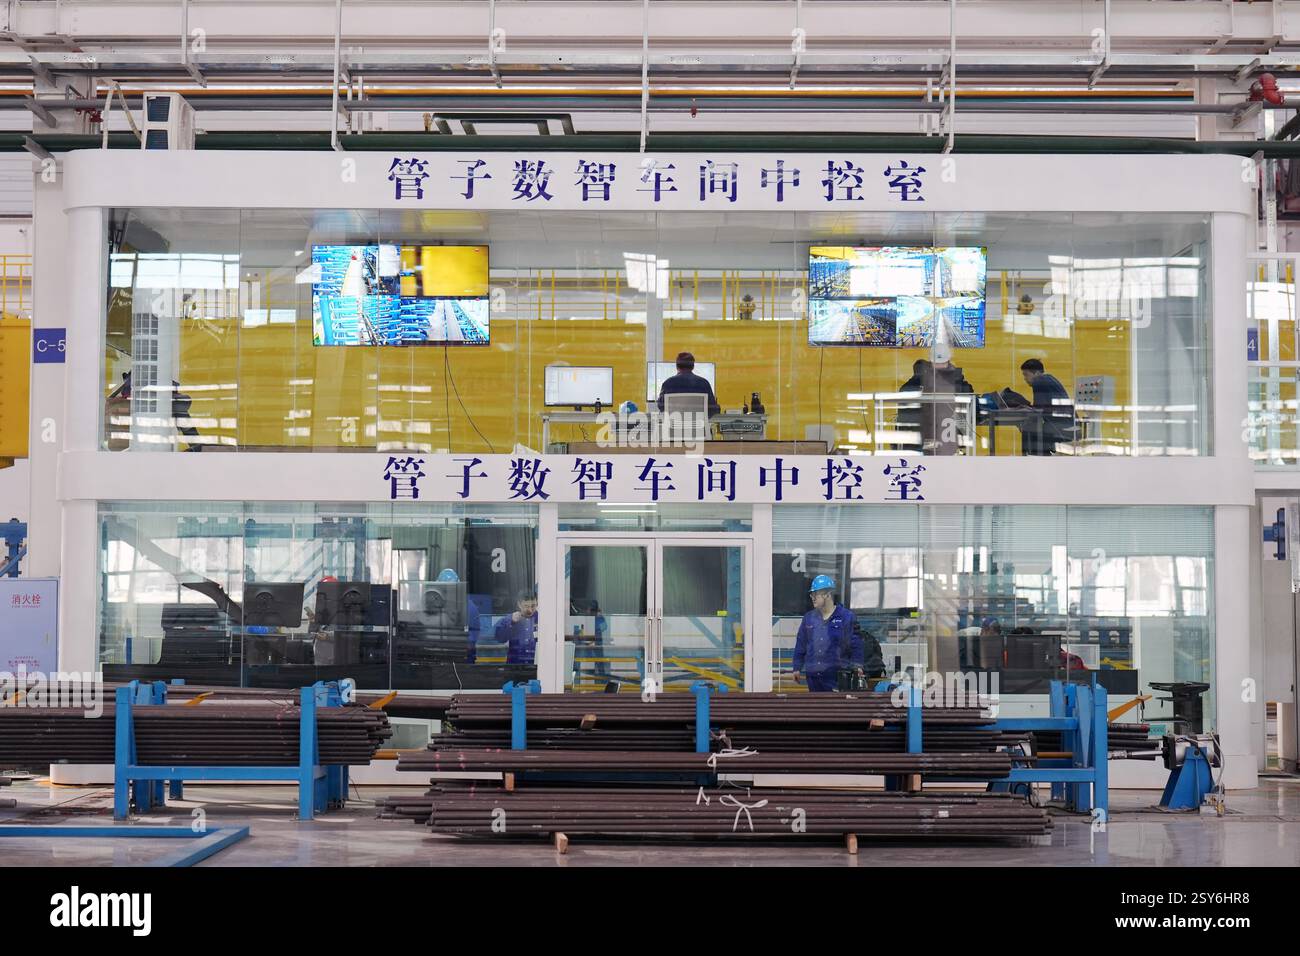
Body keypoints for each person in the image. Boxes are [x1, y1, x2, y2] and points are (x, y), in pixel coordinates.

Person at [792, 575, 863, 692]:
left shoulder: (846, 617)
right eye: (811, 594)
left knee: (835, 709)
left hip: (837, 677)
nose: (812, 598)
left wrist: (857, 666)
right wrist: (796, 667)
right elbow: (801, 644)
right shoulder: (809, 618)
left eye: (816, 594)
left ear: (828, 594)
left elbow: (856, 645)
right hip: (813, 677)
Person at [1017, 358, 1076, 456]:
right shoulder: (1049, 379)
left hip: (1060, 428)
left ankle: (1033, 462)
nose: (1025, 378)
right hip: (1067, 425)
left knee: (1028, 432)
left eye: (1026, 375)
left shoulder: (1039, 381)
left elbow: (1038, 411)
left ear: (1036, 373)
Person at [433, 568, 482, 663]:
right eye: (444, 589)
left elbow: (472, 637)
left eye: (449, 589)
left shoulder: (469, 607)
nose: (446, 593)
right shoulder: (435, 605)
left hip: (462, 661)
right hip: (439, 660)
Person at [656, 351, 720, 417]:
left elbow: (661, 406)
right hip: (698, 426)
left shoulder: (668, 383)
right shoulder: (704, 383)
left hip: (674, 426)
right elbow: (713, 410)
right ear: (693, 366)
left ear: (677, 366)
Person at [494, 588, 539, 666]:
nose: (530, 610)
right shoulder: (509, 619)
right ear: (519, 604)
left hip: (536, 668)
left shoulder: (543, 621)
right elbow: (499, 638)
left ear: (537, 603)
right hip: (514, 667)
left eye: (533, 606)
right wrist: (511, 622)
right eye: (526, 606)